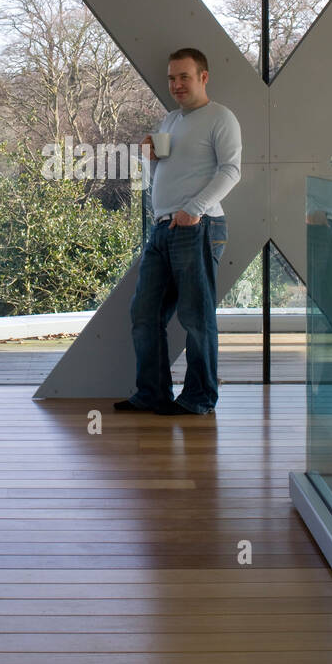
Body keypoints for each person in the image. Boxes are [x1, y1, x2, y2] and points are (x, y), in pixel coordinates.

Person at [115, 48, 242, 416]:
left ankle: (199, 398)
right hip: (163, 227)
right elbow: (170, 173)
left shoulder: (222, 117)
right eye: (172, 78)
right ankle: (152, 394)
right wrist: (150, 159)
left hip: (198, 225)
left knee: (196, 317)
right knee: (144, 312)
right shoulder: (169, 120)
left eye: (184, 77)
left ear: (204, 77)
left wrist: (193, 210)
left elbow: (232, 171)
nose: (176, 84)